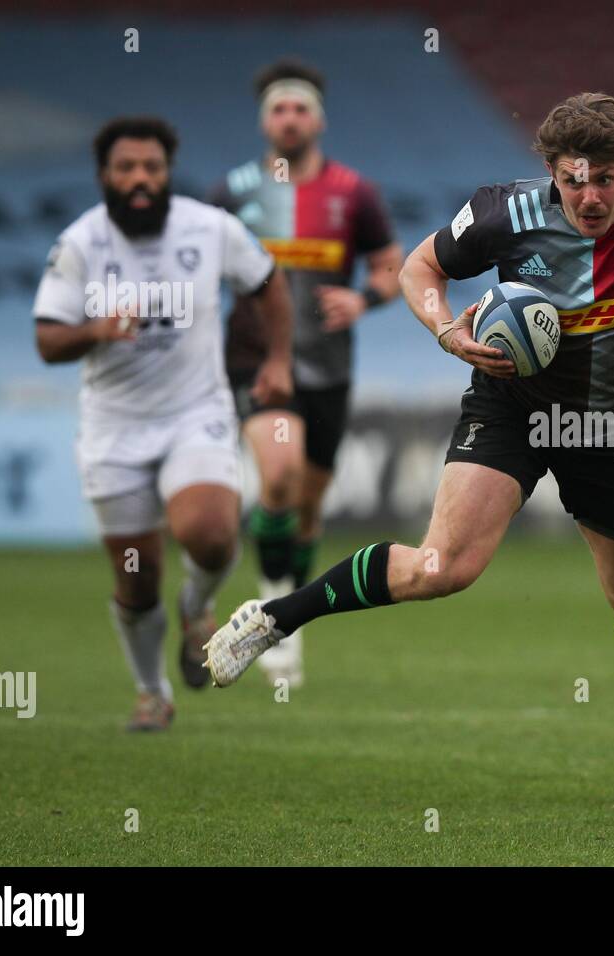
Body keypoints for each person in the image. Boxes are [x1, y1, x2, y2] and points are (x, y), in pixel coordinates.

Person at [205, 91, 614, 824]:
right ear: (552, 171)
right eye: (573, 179)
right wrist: (443, 332)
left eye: (605, 179)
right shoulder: (500, 213)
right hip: (510, 407)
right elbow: (420, 270)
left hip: (609, 426)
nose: (588, 196)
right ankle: (274, 618)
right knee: (442, 568)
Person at [34, 116, 293, 730]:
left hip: (194, 414)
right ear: (105, 176)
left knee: (210, 533)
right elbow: (48, 340)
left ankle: (197, 606)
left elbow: (268, 283)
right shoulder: (80, 244)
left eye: (152, 166)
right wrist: (95, 330)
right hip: (113, 429)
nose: (141, 178)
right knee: (136, 577)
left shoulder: (210, 228)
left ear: (167, 172)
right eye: (127, 168)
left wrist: (279, 359)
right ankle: (152, 692)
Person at [210, 58, 403, 688]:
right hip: (257, 364)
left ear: (317, 118)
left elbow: (389, 267)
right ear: (265, 120)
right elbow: (194, 267)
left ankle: (284, 622)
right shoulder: (232, 191)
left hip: (328, 368)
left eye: (299, 108)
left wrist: (363, 299)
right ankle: (268, 603)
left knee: (310, 508)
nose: (289, 119)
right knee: (281, 476)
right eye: (278, 109)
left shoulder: (354, 194)